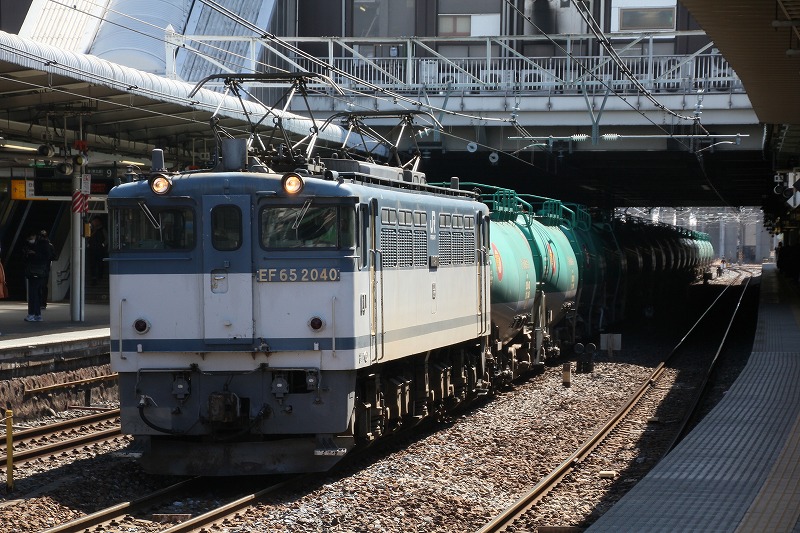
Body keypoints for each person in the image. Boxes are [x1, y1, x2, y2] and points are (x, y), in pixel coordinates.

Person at [22, 231, 51, 321]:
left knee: (33, 293)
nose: (30, 240)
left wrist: (33, 254)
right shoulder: (46, 244)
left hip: (35, 270)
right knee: (37, 292)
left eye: (30, 238)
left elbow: (47, 256)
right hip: (41, 272)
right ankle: (37, 314)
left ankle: (31, 314)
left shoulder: (40, 245)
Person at [38, 230, 56, 309]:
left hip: (37, 267)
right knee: (44, 286)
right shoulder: (50, 245)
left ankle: (39, 302)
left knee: (38, 285)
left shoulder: (37, 245)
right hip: (46, 268)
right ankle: (43, 303)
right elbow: (53, 256)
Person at [87, 217, 107, 285]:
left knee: (100, 263)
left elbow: (106, 238)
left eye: (95, 221)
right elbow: (87, 237)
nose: (94, 222)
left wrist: (103, 245)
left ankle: (99, 276)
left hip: (99, 249)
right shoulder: (91, 229)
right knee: (93, 263)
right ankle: (94, 277)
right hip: (92, 249)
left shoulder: (102, 229)